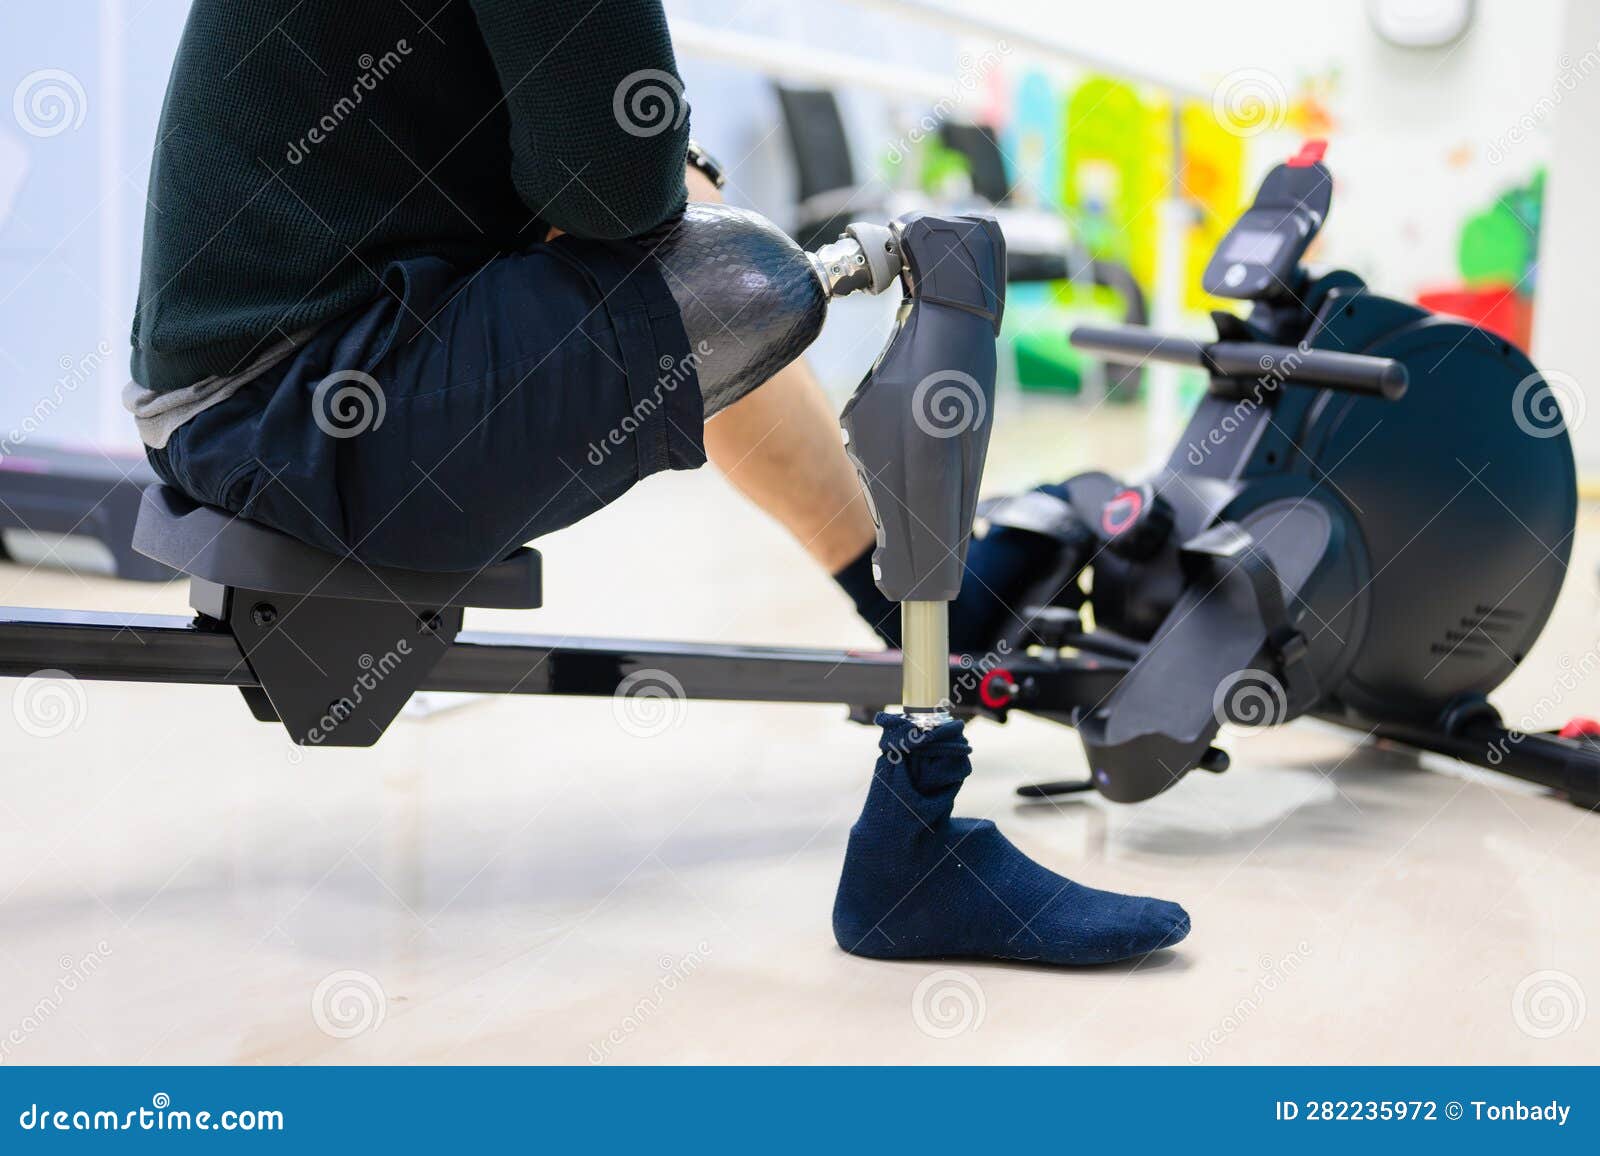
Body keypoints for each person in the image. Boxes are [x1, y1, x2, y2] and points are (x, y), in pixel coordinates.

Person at [126, 0, 1189, 965]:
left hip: (260, 388)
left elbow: (613, 186)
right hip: (294, 407)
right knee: (741, 278)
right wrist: (673, 183)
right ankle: (912, 831)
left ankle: (919, 620)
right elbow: (616, 178)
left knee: (700, 265)